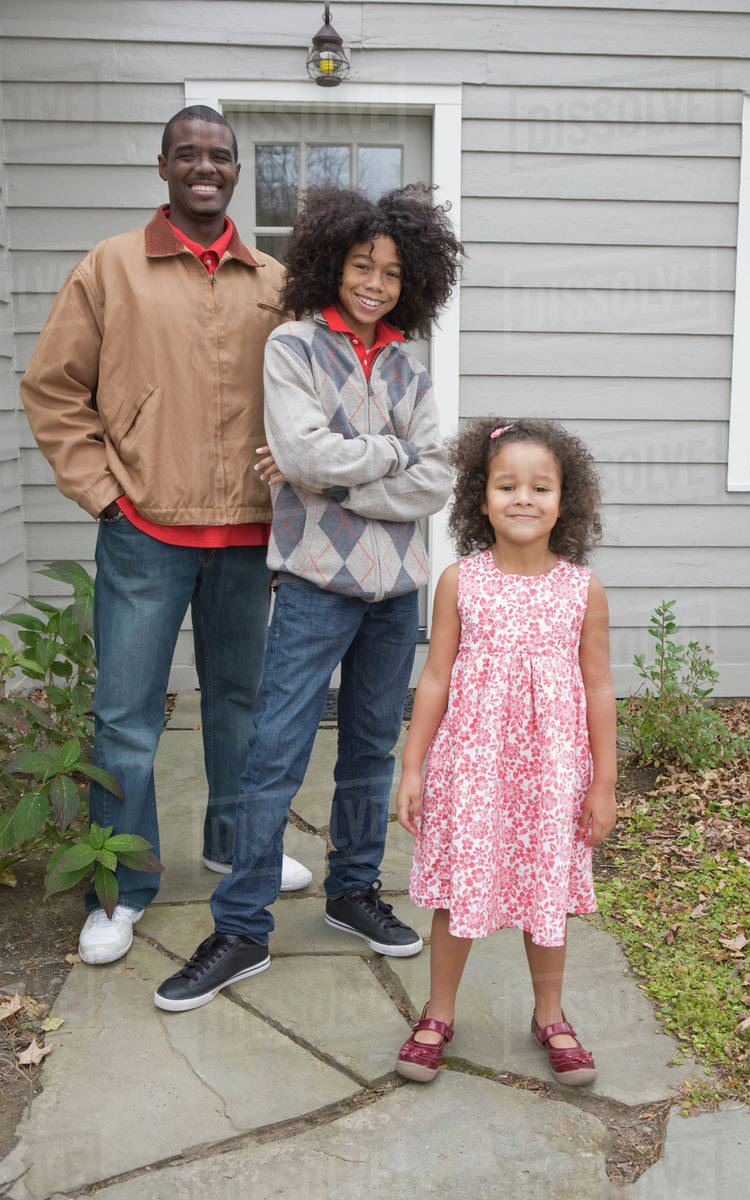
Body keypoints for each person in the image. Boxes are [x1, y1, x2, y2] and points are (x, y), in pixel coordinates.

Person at [154, 183, 463, 1012]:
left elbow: (437, 477)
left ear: (413, 282)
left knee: (369, 751)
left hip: (397, 593)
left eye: (393, 272)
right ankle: (241, 927)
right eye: (362, 264)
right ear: (332, 263)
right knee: (273, 756)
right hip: (315, 587)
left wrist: (337, 477)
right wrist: (367, 460)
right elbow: (301, 448)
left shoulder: (409, 367)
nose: (375, 283)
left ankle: (353, 891)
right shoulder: (294, 346)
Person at [20, 105, 310, 968]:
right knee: (126, 719)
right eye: (188, 154)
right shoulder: (111, 268)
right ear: (163, 167)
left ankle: (231, 847)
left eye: (219, 156)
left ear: (235, 172)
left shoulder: (274, 280)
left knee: (241, 708)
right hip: (143, 528)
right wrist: (103, 495)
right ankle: (123, 888)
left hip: (247, 535)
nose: (205, 168)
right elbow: (53, 389)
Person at [392, 418, 617, 1085]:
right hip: (473, 768)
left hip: (551, 776)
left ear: (564, 501)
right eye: (507, 484)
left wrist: (603, 782)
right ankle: (437, 1011)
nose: (523, 498)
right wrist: (413, 767)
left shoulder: (583, 590)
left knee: (546, 884)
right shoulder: (462, 581)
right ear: (479, 497)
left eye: (540, 487)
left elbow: (599, 687)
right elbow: (434, 677)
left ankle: (549, 1013)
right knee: (461, 881)